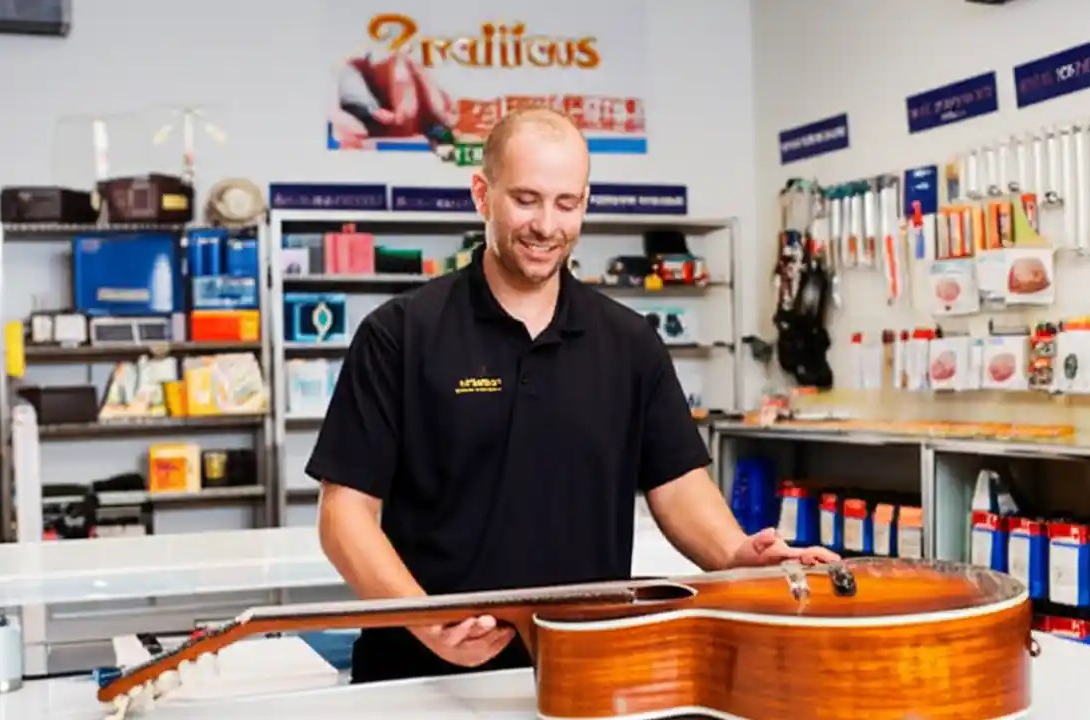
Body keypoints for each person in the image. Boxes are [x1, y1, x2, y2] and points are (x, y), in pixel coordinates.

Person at [305, 106, 840, 685]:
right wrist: (427, 621)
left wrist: (737, 557)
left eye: (567, 203)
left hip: (583, 669)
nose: (546, 224)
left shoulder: (629, 341)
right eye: (526, 199)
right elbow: (345, 513)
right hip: (420, 676)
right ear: (482, 194)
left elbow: (678, 484)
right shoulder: (401, 334)